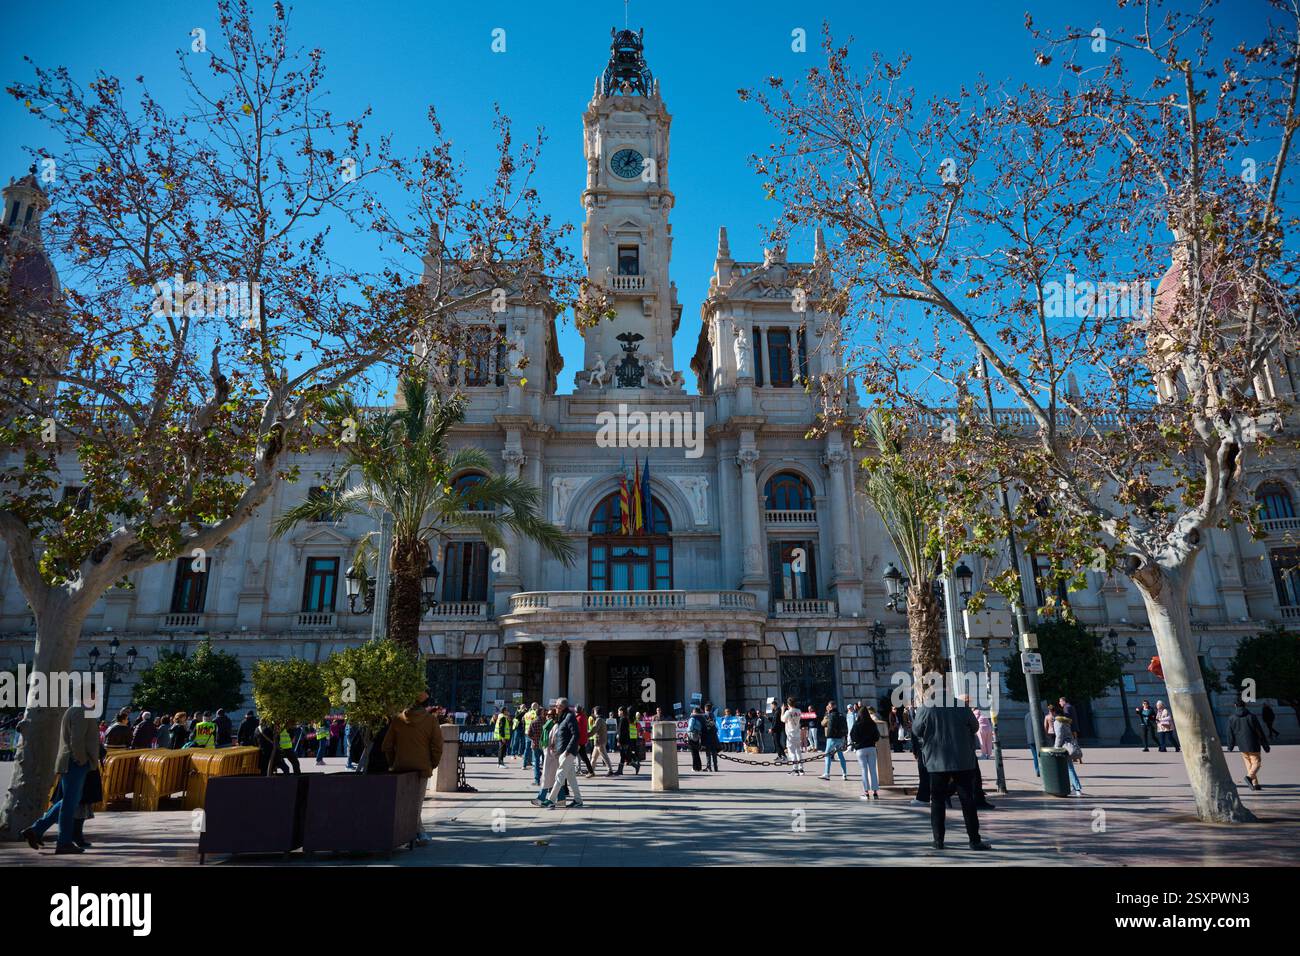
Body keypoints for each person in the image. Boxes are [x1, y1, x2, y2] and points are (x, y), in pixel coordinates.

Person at [21, 689, 102, 854]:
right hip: (75, 763)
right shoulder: (81, 711)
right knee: (69, 805)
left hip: (74, 762)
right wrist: (82, 759)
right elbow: (76, 739)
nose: (97, 698)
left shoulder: (76, 709)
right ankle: (63, 842)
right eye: (95, 695)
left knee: (68, 801)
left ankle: (36, 830)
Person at [911, 698, 991, 851]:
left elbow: (916, 730)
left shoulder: (926, 707)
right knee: (967, 800)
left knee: (937, 801)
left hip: (936, 761)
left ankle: (938, 841)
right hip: (962, 760)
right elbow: (974, 727)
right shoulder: (961, 706)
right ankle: (974, 840)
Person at [382, 693, 444, 844]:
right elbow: (437, 746)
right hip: (421, 767)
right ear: (425, 704)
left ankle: (414, 832)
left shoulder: (397, 719)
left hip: (400, 766)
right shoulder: (430, 720)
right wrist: (432, 764)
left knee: (402, 802)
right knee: (417, 803)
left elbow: (387, 746)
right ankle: (419, 833)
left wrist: (393, 762)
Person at [540, 699, 584, 809]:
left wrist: (568, 750)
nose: (555, 707)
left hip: (567, 752)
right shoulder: (563, 717)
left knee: (559, 776)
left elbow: (576, 734)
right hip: (562, 752)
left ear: (563, 706)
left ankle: (551, 799)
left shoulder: (569, 717)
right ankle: (578, 800)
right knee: (571, 778)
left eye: (557, 705)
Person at [1227, 701, 1270, 790]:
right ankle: (1249, 777)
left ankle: (1255, 784)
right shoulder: (1251, 716)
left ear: (1235, 706)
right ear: (1245, 706)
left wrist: (1230, 746)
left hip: (1241, 745)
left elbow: (1230, 733)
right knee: (1256, 763)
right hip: (1253, 743)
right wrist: (1265, 744)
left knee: (1249, 764)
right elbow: (1259, 731)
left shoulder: (1231, 718)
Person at [850, 700, 881, 799]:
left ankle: (866, 792)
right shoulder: (872, 724)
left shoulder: (857, 724)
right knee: (873, 770)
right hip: (871, 748)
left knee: (864, 770)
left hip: (860, 749)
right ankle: (875, 792)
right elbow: (877, 737)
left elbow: (852, 736)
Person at [1053, 711, 1084, 795]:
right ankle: (1075, 787)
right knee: (1070, 768)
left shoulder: (1057, 722)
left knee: (1069, 768)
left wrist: (1055, 748)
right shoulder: (1066, 722)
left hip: (1064, 748)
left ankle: (1077, 788)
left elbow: (1059, 736)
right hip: (1070, 746)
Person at [820, 701, 849, 781]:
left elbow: (824, 724)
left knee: (827, 754)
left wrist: (828, 736)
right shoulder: (841, 715)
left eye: (829, 706)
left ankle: (827, 773)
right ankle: (844, 774)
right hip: (840, 738)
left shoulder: (830, 715)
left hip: (832, 738)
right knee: (840, 755)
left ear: (830, 707)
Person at [782, 697, 805, 775]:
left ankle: (795, 769)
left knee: (791, 752)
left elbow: (782, 719)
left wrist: (782, 710)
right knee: (798, 751)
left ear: (788, 704)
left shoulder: (788, 712)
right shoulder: (799, 711)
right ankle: (801, 769)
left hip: (790, 734)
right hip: (797, 733)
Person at [590, 707, 613, 774]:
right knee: (593, 758)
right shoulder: (602, 719)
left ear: (596, 712)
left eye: (594, 711)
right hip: (599, 742)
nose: (593, 713)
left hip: (599, 741)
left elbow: (594, 729)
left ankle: (610, 770)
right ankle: (591, 771)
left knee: (604, 756)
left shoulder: (599, 720)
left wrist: (587, 735)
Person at [575, 706, 596, 777]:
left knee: (580, 757)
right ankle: (590, 771)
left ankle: (589, 771)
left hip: (579, 741)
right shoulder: (584, 717)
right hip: (583, 739)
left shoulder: (578, 718)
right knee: (583, 757)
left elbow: (578, 731)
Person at [702, 704, 721, 772]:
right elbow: (714, 725)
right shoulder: (713, 715)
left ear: (705, 709)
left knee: (708, 752)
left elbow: (703, 726)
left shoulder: (704, 716)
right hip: (714, 736)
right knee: (714, 752)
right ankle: (715, 767)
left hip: (707, 736)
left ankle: (709, 767)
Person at [686, 706, 705, 772]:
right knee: (697, 752)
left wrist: (687, 731)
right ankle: (699, 767)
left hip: (691, 736)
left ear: (694, 712)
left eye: (693, 711)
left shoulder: (693, 718)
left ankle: (695, 767)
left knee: (693, 753)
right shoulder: (701, 718)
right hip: (697, 735)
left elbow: (690, 728)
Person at [1024, 709, 1040, 777]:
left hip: (1030, 739)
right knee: (1039, 755)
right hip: (1038, 738)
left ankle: (1037, 770)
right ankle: (1039, 770)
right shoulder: (1039, 714)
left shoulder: (1027, 715)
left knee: (1035, 755)